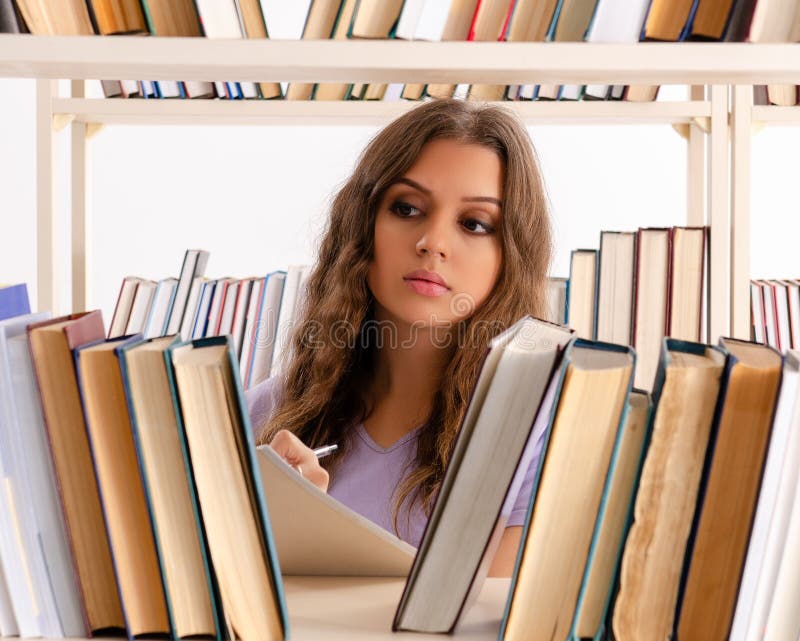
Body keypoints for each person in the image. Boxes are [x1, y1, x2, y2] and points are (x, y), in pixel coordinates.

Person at [246, 97, 552, 577]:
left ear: (509, 256)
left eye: (474, 223)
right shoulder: (260, 418)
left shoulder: (537, 428)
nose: (432, 241)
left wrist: (315, 541)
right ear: (363, 228)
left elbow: (489, 622)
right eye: (406, 208)